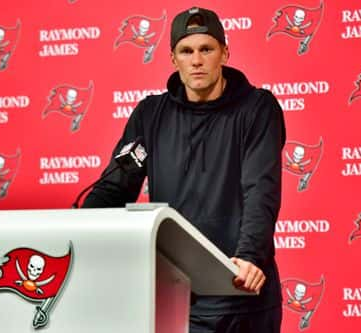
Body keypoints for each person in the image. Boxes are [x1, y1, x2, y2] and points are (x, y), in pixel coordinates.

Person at [82, 6, 285, 333]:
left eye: (207, 49)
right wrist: (75, 230)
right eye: (186, 51)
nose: (196, 60)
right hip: (177, 297)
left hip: (242, 290)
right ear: (173, 59)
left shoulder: (257, 108)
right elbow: (115, 187)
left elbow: (261, 188)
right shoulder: (150, 114)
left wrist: (251, 256)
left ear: (225, 53)